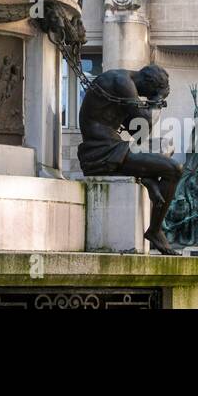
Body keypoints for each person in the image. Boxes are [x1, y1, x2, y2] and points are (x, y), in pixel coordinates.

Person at [77, 63, 184, 254]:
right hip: (101, 153)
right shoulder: (122, 81)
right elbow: (146, 123)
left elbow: (139, 133)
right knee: (175, 169)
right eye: (148, 93)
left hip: (112, 149)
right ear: (147, 83)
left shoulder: (124, 85)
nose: (145, 98)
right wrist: (157, 100)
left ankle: (148, 179)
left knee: (167, 145)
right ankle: (155, 230)